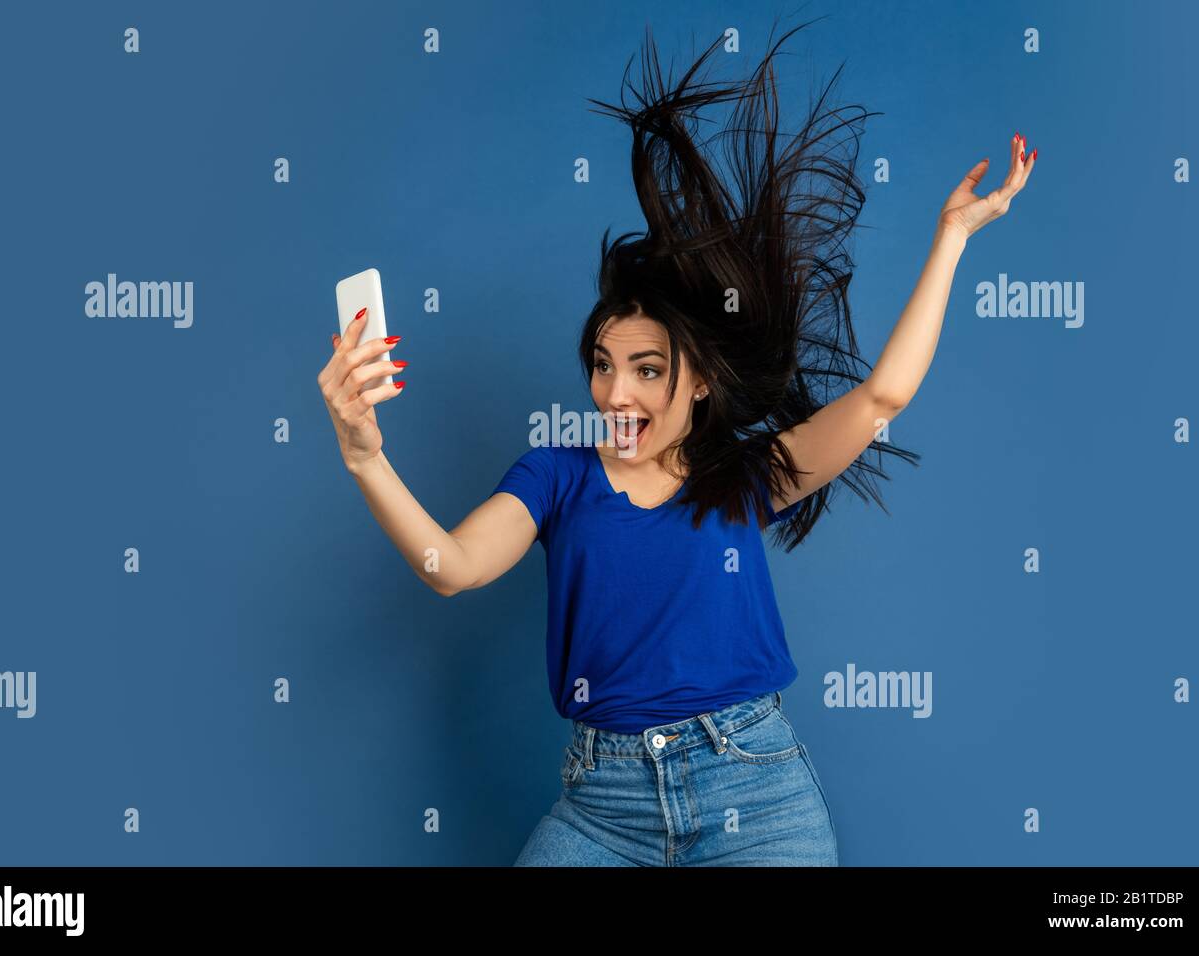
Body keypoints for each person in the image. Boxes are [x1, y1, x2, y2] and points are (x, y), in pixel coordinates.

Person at [316, 18, 1036, 866]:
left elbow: (884, 394)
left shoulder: (746, 478)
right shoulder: (554, 478)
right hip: (602, 806)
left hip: (756, 791)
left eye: (647, 369)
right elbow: (452, 568)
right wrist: (366, 455)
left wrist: (952, 236)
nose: (616, 393)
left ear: (696, 381)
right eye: (602, 365)